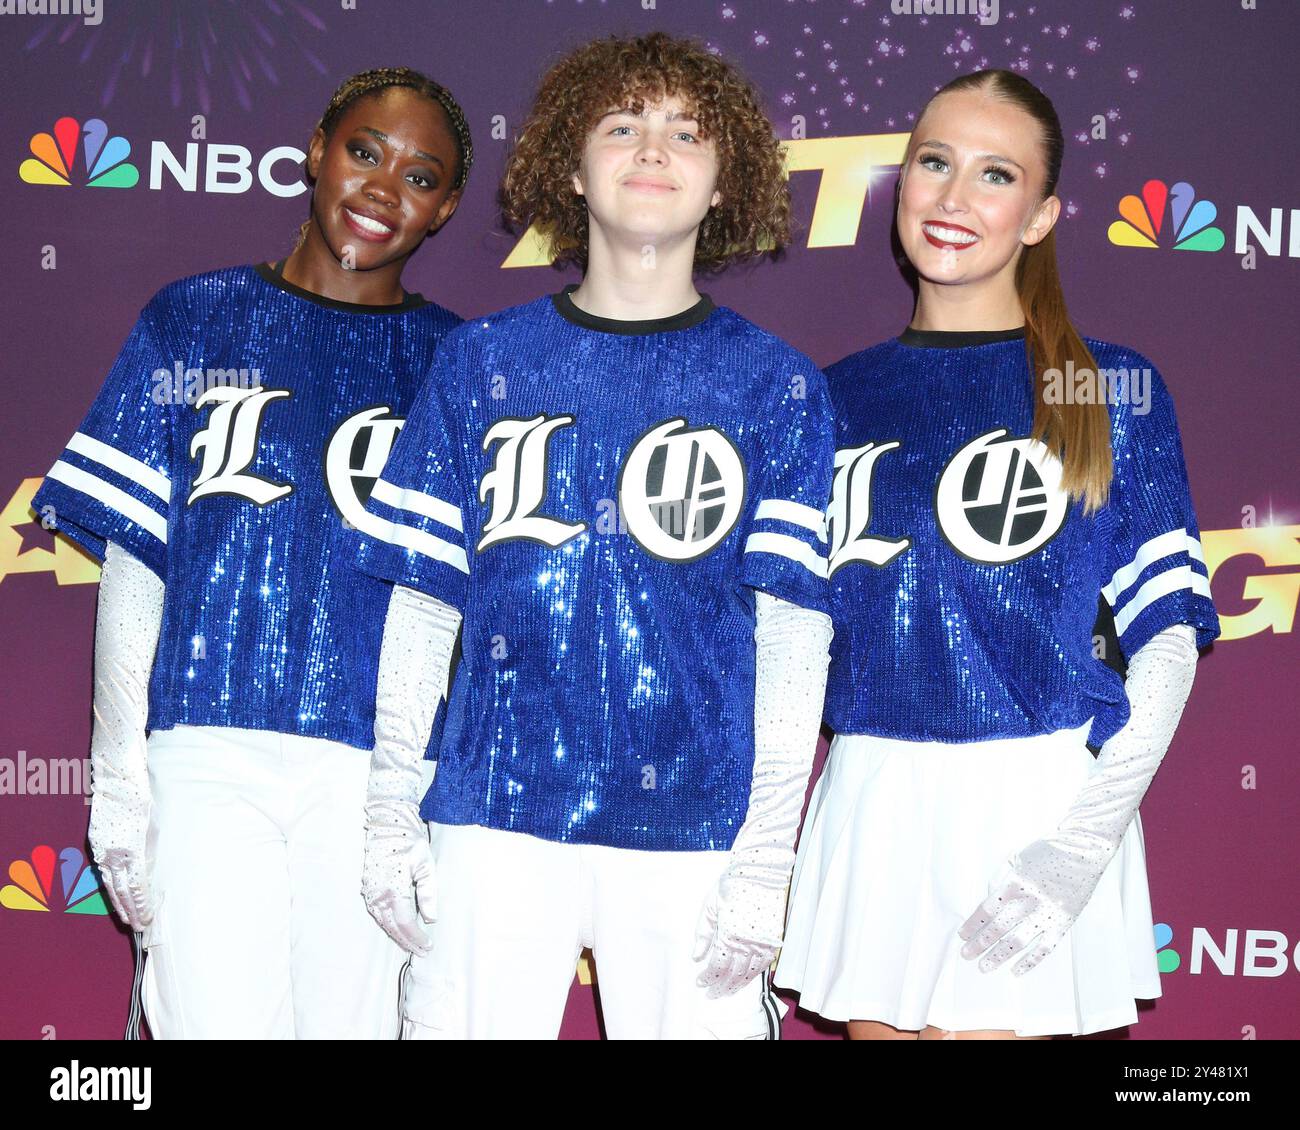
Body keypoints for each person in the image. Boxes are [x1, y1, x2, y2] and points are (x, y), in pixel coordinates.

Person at [344, 31, 834, 1040]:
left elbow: (793, 636)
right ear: (571, 167)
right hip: (490, 815)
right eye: (622, 125)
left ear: (721, 181)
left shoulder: (778, 382)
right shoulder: (478, 360)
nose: (652, 148)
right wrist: (392, 800)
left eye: (684, 131)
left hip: (696, 829)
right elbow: (424, 600)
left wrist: (767, 850)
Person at [772, 69, 1220, 1040]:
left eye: (993, 174)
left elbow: (1169, 642)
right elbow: (795, 648)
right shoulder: (826, 398)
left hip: (1036, 801)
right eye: (934, 163)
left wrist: (1078, 845)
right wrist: (767, 852)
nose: (951, 197)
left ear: (1039, 214)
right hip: (873, 795)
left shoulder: (1108, 388)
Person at [31, 67, 472, 1039]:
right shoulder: (192, 320)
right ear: (315, 148)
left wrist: (405, 794)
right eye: (364, 151)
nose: (381, 187)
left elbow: (447, 604)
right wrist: (118, 777)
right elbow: (138, 560)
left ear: (443, 209)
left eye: (421, 174)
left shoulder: (461, 364)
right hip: (204, 748)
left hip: (374, 770)